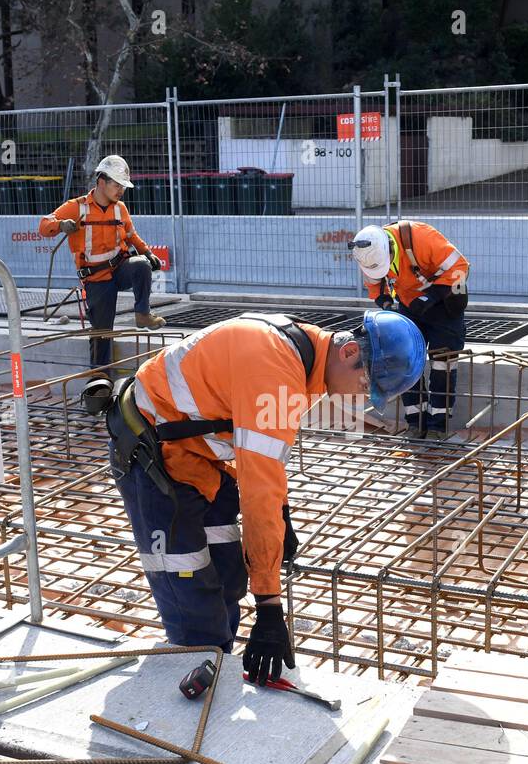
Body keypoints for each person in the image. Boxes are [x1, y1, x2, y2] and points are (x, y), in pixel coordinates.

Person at [91, 310, 426, 685]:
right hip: (153, 455)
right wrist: (269, 606)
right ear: (349, 352)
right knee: (192, 595)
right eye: (365, 386)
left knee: (227, 573)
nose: (358, 397)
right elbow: (258, 485)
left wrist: (280, 515)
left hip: (198, 456)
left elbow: (265, 458)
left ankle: (217, 666)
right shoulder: (277, 368)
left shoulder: (304, 356)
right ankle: (193, 687)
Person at [39, 154, 164, 369]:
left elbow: (131, 235)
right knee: (102, 334)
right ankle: (99, 381)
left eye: (123, 186)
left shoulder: (120, 208)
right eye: (117, 185)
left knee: (142, 265)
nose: (121, 190)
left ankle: (142, 314)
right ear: (101, 182)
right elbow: (43, 226)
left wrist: (147, 252)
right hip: (96, 279)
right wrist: (61, 225)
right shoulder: (76, 208)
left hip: (119, 268)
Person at [349, 221, 470, 439]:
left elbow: (460, 268)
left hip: (444, 303)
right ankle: (416, 422)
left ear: (390, 248)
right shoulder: (367, 254)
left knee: (443, 362)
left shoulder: (421, 238)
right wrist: (382, 299)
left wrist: (430, 297)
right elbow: (373, 280)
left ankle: (437, 427)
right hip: (410, 304)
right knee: (404, 360)